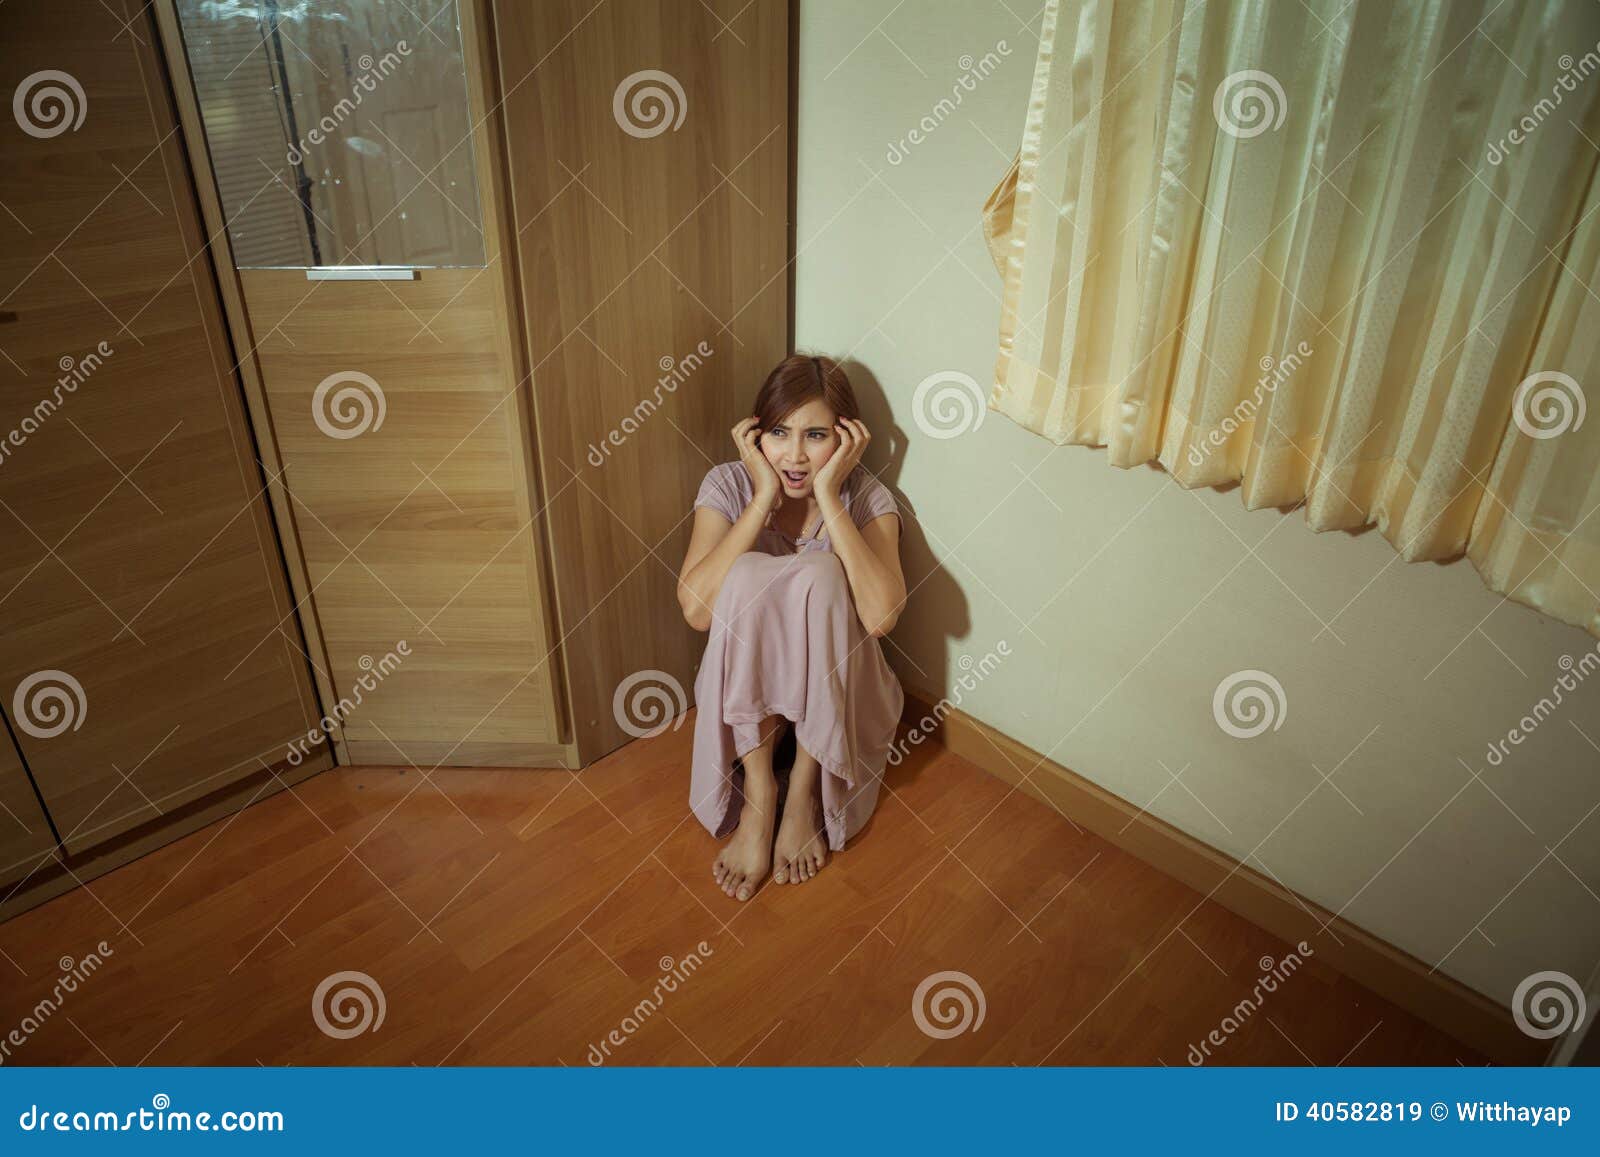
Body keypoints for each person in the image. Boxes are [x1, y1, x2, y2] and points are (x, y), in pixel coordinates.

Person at [677, 354, 906, 901]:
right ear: (756, 434)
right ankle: (760, 796)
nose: (795, 455)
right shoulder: (729, 484)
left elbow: (881, 619)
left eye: (816, 435)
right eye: (779, 432)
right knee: (745, 572)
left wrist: (829, 497)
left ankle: (801, 791)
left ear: (846, 439)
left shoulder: (867, 497)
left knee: (822, 574)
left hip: (839, 692)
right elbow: (697, 611)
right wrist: (761, 499)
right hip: (747, 696)